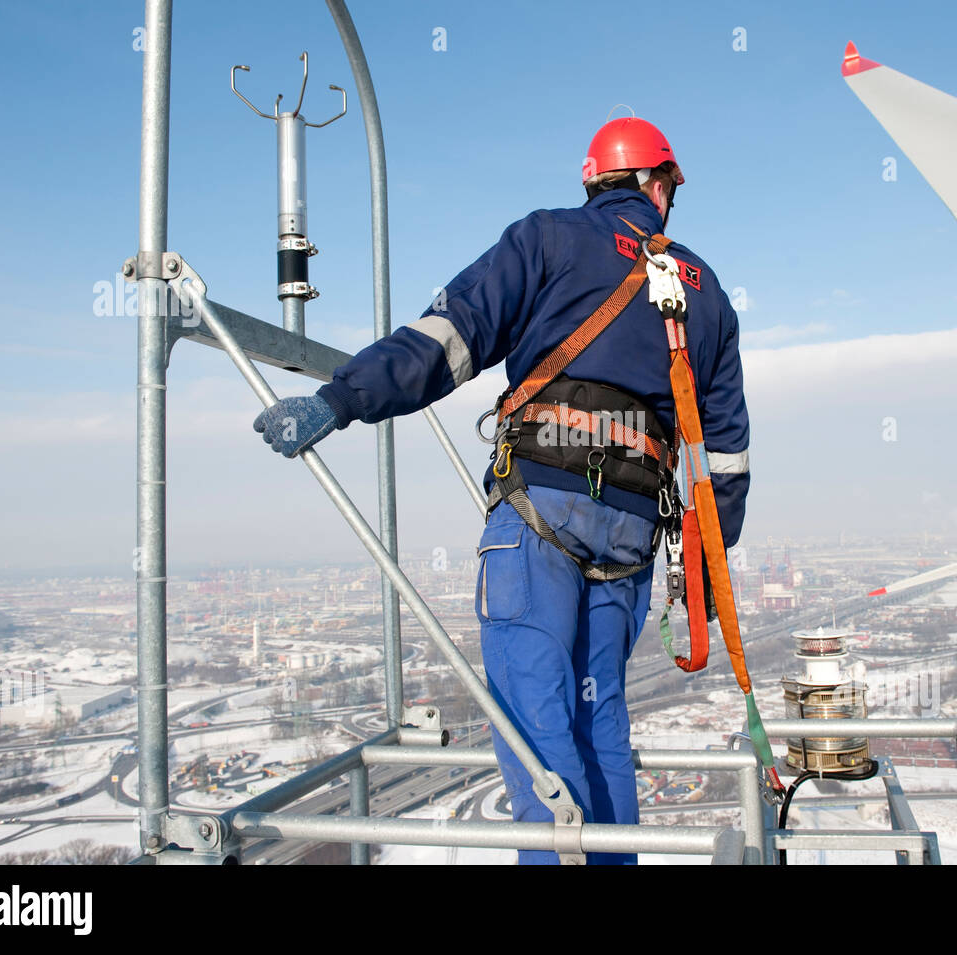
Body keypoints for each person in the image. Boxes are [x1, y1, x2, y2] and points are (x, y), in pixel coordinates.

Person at [253, 116, 751, 865]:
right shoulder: (703, 292)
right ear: (657, 184)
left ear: (596, 182)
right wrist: (707, 583)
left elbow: (447, 341)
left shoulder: (550, 239)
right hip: (630, 531)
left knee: (536, 719)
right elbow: (725, 466)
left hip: (539, 509)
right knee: (599, 717)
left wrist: (342, 399)